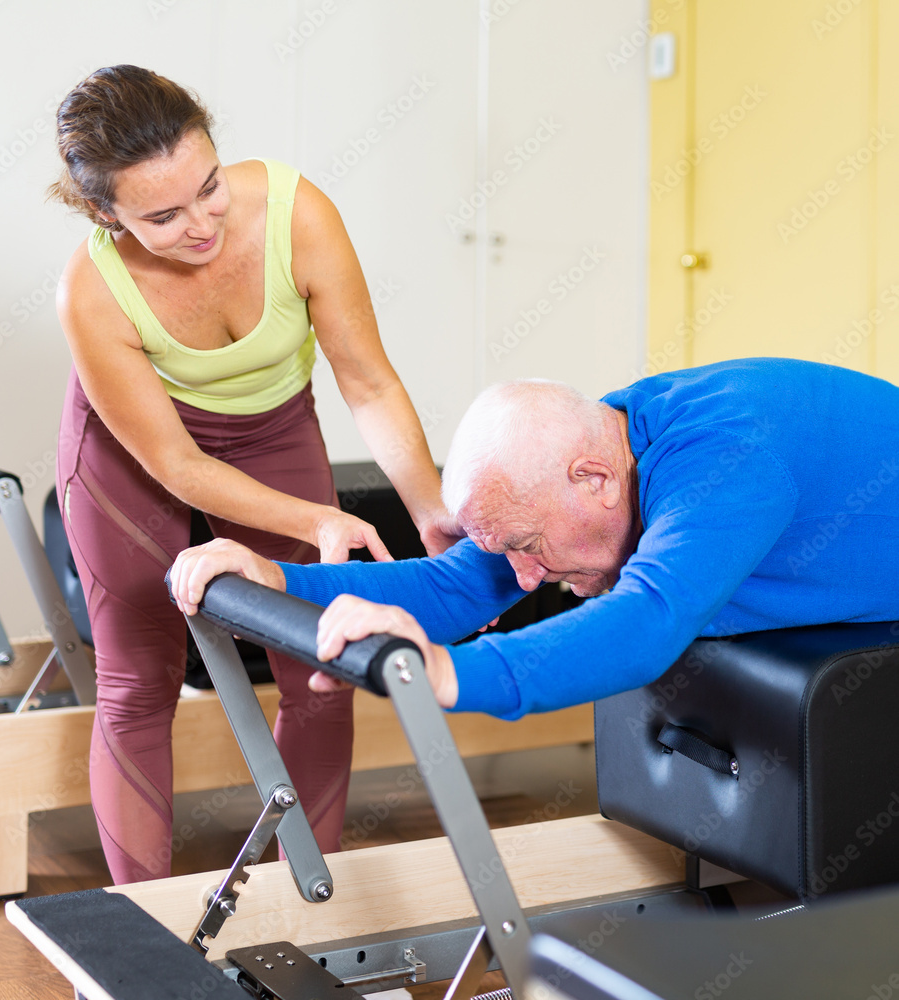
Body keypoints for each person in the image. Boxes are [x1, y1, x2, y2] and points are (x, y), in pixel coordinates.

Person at [49, 65, 457, 883]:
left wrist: (430, 510)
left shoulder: (297, 215)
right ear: (106, 213)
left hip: (272, 429)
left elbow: (367, 380)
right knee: (136, 684)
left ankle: (309, 899)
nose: (201, 224)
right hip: (131, 459)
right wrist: (315, 520)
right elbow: (175, 464)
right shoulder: (92, 291)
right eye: (162, 215)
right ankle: (147, 932)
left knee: (321, 670)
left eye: (208, 188)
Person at [171, 357, 899, 719]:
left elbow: (648, 622)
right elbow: (453, 584)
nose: (520, 575)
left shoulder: (727, 457)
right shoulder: (607, 444)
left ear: (593, 481)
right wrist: (276, 579)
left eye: (522, 541)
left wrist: (446, 674)